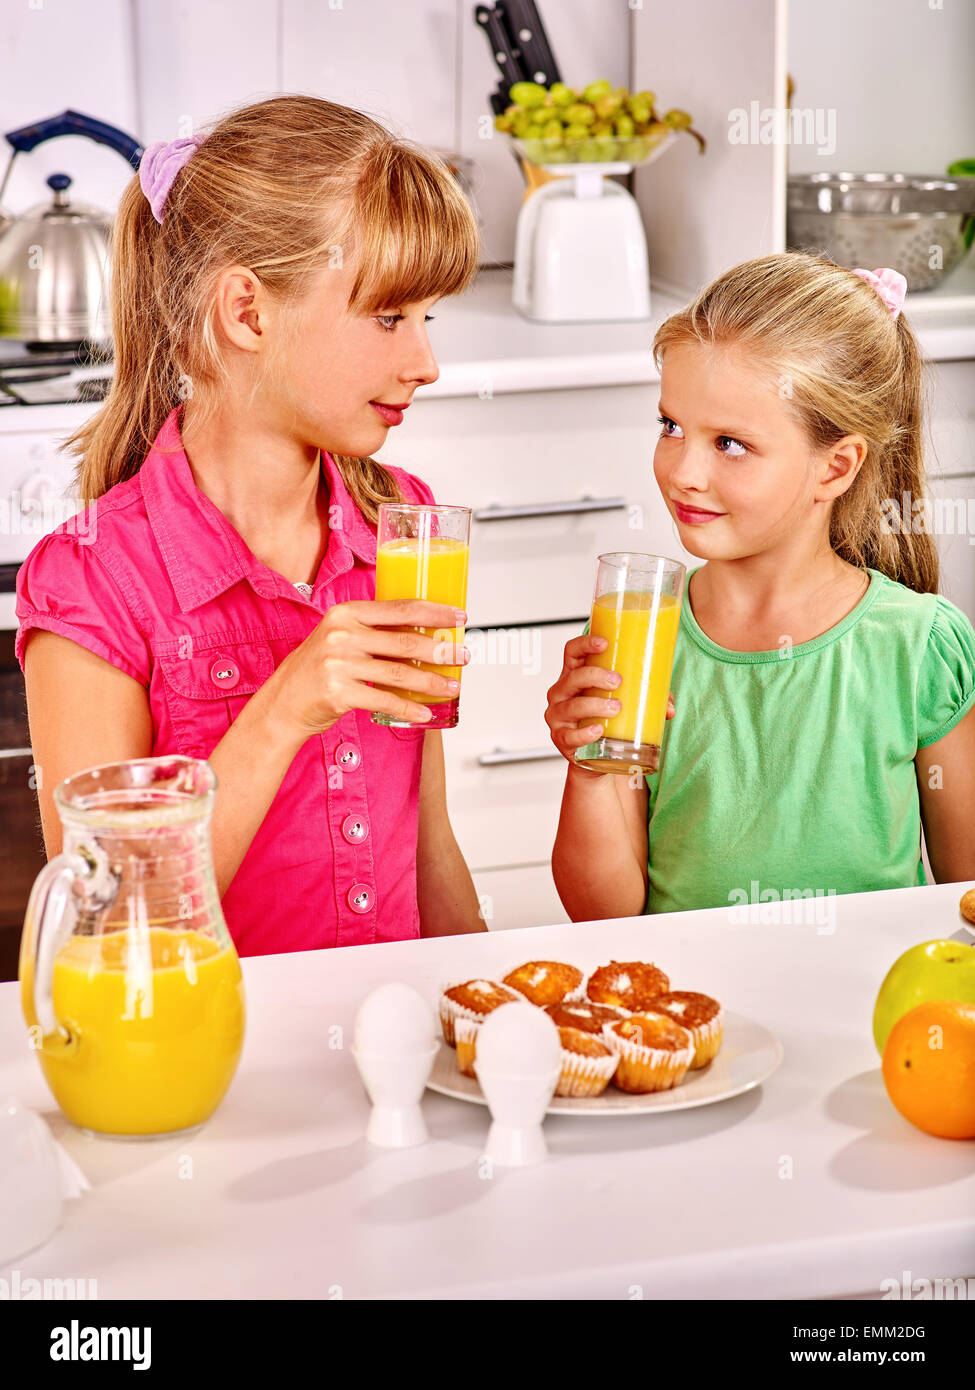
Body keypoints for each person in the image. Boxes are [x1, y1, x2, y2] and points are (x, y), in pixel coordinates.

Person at [15, 94, 487, 954]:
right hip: (217, 1072)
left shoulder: (405, 527)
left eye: (427, 319)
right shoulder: (93, 582)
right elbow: (107, 929)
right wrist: (285, 707)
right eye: (388, 317)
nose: (425, 363)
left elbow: (429, 852)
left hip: (396, 1043)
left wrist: (490, 1006)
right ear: (246, 312)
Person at [546, 253, 975, 921]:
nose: (683, 471)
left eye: (730, 444)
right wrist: (587, 763)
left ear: (834, 468)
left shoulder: (918, 646)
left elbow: (965, 898)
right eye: (670, 427)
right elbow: (601, 916)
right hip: (692, 1009)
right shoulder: (641, 635)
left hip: (865, 1012)